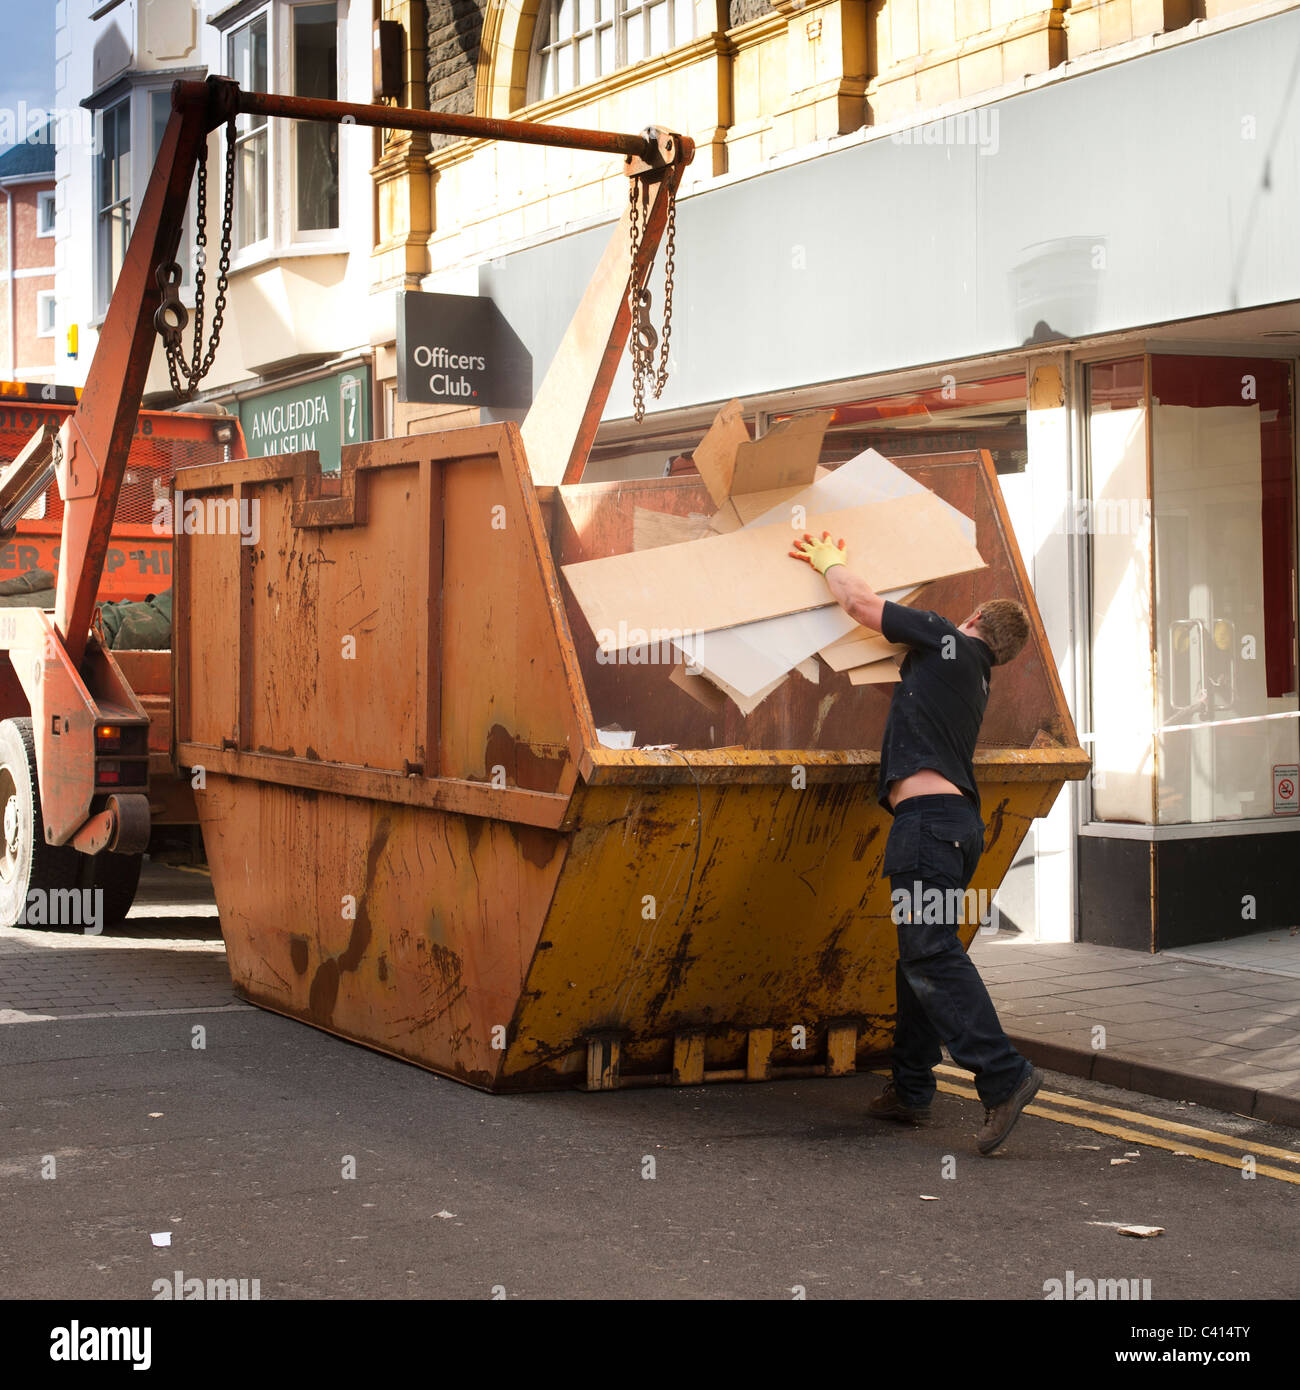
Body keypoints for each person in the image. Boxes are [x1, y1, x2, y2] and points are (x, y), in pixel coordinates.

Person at [790, 529, 1041, 1156]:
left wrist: (831, 562)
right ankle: (910, 1088)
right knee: (919, 956)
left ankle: (1004, 1076)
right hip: (954, 831)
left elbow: (860, 606)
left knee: (929, 953)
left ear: (976, 618)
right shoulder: (972, 674)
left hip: (928, 826)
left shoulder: (948, 638)